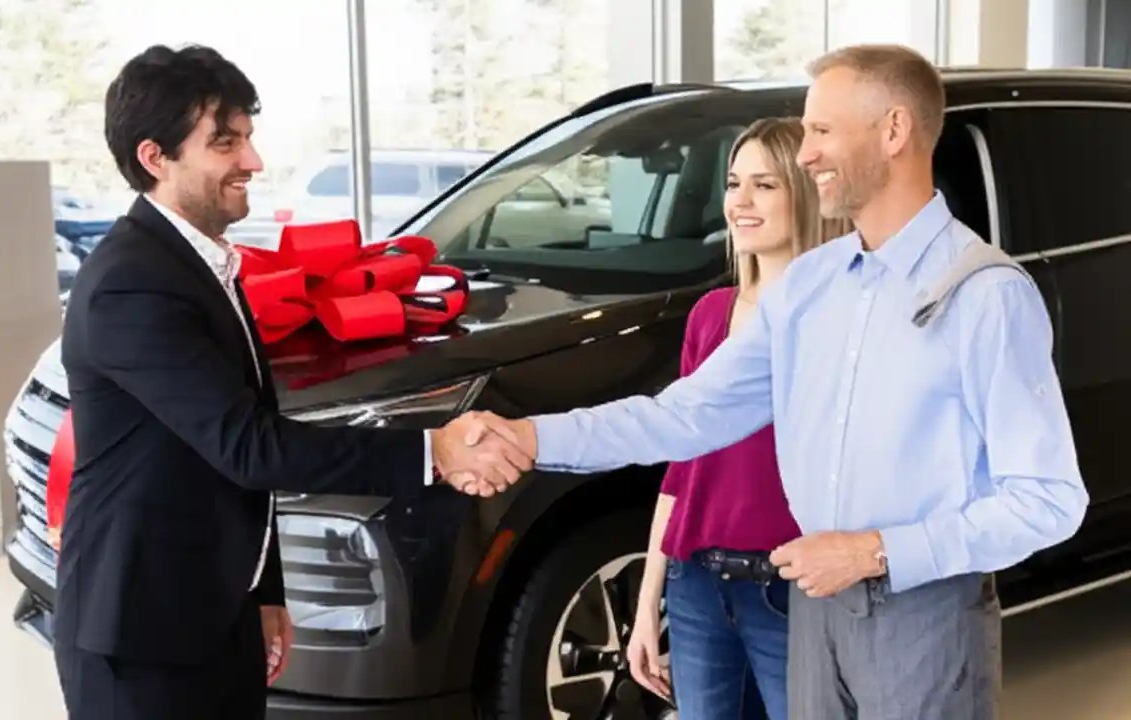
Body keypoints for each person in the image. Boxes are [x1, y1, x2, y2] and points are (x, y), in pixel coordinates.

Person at [448, 43, 1088, 718]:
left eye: (821, 131)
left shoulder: (983, 294)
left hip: (921, 614)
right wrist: (526, 437)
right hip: (816, 606)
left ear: (894, 131)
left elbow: (1047, 499)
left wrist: (874, 553)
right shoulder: (812, 286)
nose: (805, 153)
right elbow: (687, 415)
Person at [54, 44, 527, 720]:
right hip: (141, 631)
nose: (254, 161)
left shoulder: (196, 263)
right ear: (156, 157)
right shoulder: (132, 283)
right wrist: (438, 450)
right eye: (226, 142)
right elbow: (249, 446)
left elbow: (230, 459)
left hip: (214, 610)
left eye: (248, 137)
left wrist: (261, 591)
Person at [625, 117, 848, 720]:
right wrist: (649, 603)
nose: (739, 202)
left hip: (792, 590)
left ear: (803, 195)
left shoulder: (839, 322)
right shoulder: (710, 316)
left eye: (765, 186)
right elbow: (681, 470)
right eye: (733, 183)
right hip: (697, 588)